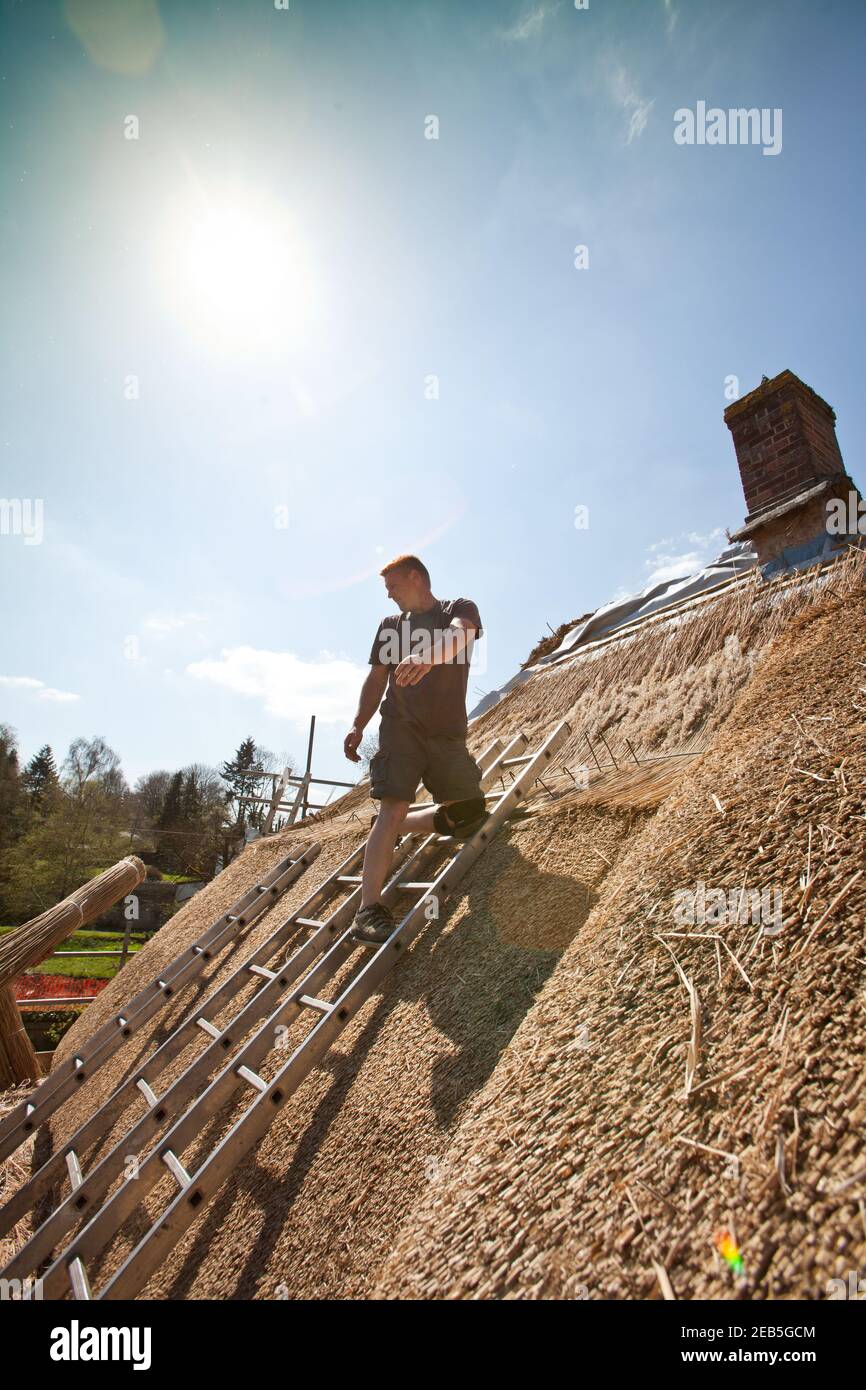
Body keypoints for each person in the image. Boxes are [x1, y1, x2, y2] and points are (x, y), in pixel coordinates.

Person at [344, 554, 487, 943]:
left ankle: (397, 825)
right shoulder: (390, 626)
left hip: (446, 732)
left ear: (415, 577)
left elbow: (461, 635)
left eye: (392, 587)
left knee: (471, 814)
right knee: (393, 802)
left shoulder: (456, 609)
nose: (389, 596)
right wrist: (359, 724)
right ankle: (368, 910)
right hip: (401, 728)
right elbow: (376, 680)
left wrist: (426, 657)